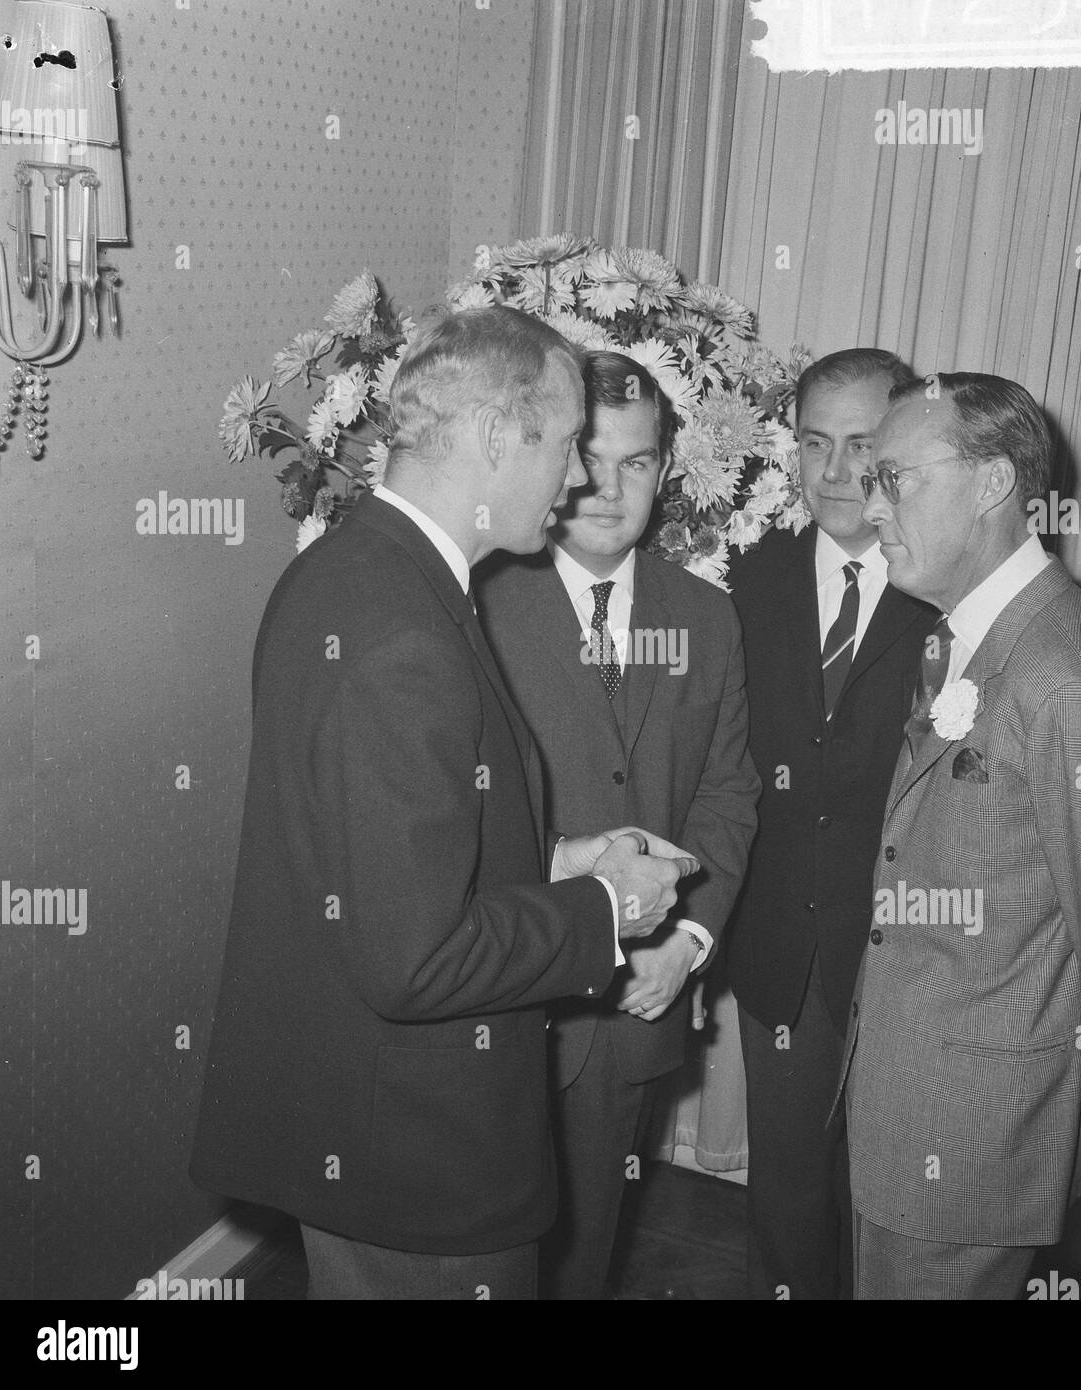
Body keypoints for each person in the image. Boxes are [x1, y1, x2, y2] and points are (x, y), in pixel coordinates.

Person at [190, 307, 696, 1300]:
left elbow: (385, 849)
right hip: (411, 1149)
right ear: (497, 438)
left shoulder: (354, 569)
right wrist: (608, 908)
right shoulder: (399, 628)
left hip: (366, 1121)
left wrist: (556, 858)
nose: (581, 478)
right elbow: (413, 958)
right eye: (562, 445)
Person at [844, 371, 1081, 1299]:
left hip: (970, 1131)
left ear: (993, 483)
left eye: (894, 478)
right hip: (912, 1102)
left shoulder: (1068, 675)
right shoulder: (967, 636)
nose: (869, 506)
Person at [477, 351, 759, 1299]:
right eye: (586, 455)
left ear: (666, 472)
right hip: (497, 1009)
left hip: (634, 1009)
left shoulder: (707, 619)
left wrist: (683, 940)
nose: (604, 485)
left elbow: (727, 794)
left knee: (584, 1260)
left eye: (634, 462)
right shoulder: (473, 603)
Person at [725, 349, 936, 1299]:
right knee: (787, 1189)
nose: (837, 473)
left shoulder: (946, 590)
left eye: (863, 446)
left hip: (912, 952)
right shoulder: (740, 582)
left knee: (899, 1201)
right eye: (815, 444)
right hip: (779, 945)